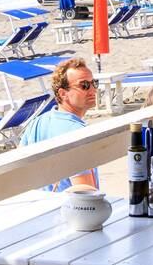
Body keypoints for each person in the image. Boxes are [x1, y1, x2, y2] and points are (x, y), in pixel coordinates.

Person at [19, 56, 99, 191]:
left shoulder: (38, 123)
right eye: (84, 85)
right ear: (63, 94)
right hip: (69, 209)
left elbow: (18, 171)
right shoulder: (78, 132)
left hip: (42, 207)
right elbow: (85, 192)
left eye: (94, 83)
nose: (92, 90)